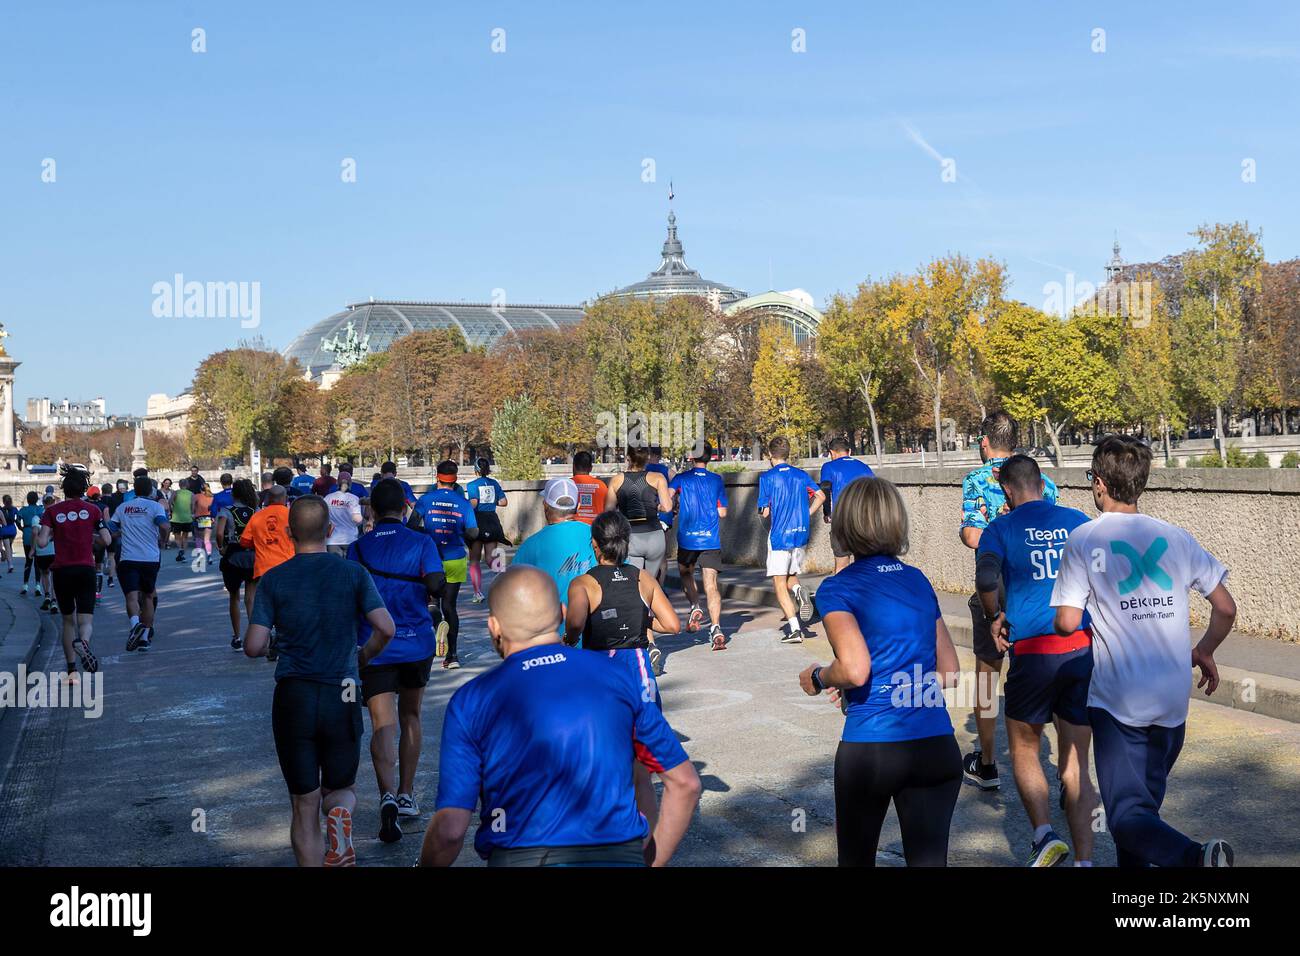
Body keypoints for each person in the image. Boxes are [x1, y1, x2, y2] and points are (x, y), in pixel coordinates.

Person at [419, 564, 700, 867]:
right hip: (619, 853)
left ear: (494, 627)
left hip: (520, 856)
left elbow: (450, 831)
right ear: (562, 613)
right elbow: (685, 784)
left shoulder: (471, 701)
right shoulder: (618, 678)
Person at [1051, 436, 1237, 868]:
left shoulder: (1084, 539)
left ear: (1099, 482)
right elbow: (1226, 608)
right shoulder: (1176, 537)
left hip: (1119, 702)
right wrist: (1204, 650)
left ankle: (1197, 859)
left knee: (1126, 817)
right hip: (1173, 701)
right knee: (1143, 812)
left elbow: (1064, 621)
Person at [797, 477, 962, 866]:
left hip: (872, 749)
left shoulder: (836, 588)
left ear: (846, 525)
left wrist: (820, 677)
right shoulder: (919, 580)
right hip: (935, 744)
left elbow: (854, 669)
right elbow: (950, 672)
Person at [244, 496, 396, 867]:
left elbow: (253, 646)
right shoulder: (352, 573)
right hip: (341, 691)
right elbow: (386, 628)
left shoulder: (274, 579)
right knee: (340, 789)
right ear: (329, 531)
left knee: (303, 801)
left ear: (288, 532)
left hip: (294, 694)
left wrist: (277, 640)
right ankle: (339, 818)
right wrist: (362, 656)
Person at [977, 454, 1096, 867]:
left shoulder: (1000, 527)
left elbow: (986, 578)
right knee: (1077, 762)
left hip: (1032, 654)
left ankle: (1044, 835)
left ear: (1007, 492)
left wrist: (994, 617)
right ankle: (1085, 860)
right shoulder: (1078, 520)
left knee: (1024, 748)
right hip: (1081, 649)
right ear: (1042, 484)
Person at [565, 512, 682, 833]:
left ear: (594, 544)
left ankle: (607, 829)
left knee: (601, 755)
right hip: (639, 671)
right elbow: (672, 625)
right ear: (626, 544)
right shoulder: (643, 578)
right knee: (640, 766)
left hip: (601, 671)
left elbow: (574, 627)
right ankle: (648, 841)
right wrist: (639, 621)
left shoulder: (583, 583)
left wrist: (566, 637)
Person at [959, 411, 1057, 791]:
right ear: (1016, 442)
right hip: (1040, 586)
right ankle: (1066, 770)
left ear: (985, 442)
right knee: (1046, 674)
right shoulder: (1043, 481)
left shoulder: (977, 479)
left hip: (996, 583)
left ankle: (986, 764)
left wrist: (996, 532)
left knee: (987, 673)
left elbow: (971, 536)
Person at [348, 478, 445, 841]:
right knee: (411, 716)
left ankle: (386, 794)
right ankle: (406, 795)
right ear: (405, 506)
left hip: (373, 645)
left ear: (371, 508)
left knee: (382, 723)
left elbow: (353, 596)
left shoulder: (358, 548)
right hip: (415, 642)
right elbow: (436, 584)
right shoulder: (422, 542)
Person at [37, 466, 112, 683]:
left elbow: (42, 542)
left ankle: (71, 672)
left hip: (62, 570)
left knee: (67, 621)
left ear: (64, 488)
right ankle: (84, 644)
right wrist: (93, 538)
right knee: (85, 619)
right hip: (85, 568)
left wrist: (52, 536)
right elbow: (106, 540)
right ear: (84, 488)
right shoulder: (93, 510)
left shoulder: (51, 512)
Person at [606, 447, 674, 672]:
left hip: (631, 537)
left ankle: (649, 643)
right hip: (655, 537)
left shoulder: (617, 480)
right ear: (646, 459)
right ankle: (649, 638)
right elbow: (667, 507)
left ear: (627, 459)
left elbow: (608, 511)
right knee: (650, 587)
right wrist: (653, 505)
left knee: (635, 593)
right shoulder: (658, 478)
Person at [409, 461, 478, 669]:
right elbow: (473, 532)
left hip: (431, 559)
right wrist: (459, 532)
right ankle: (453, 656)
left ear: (437, 477)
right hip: (455, 557)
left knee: (432, 603)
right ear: (455, 479)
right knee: (450, 605)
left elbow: (412, 525)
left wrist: (428, 534)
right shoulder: (463, 503)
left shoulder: (426, 499)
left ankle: (439, 626)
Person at [758, 436, 825, 645]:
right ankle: (798, 591)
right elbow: (821, 496)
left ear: (770, 455)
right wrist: (807, 513)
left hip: (780, 536)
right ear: (788, 454)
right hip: (801, 533)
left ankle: (795, 629)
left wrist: (762, 510)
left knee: (778, 582)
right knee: (790, 575)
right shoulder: (801, 475)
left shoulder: (767, 478)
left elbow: (765, 512)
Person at [668, 442, 729, 650]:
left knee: (685, 573)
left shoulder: (681, 479)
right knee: (711, 584)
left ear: (692, 458)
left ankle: (695, 605)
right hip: (710, 539)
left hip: (687, 539)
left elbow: (666, 499)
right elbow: (722, 513)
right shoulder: (716, 481)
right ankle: (716, 628)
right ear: (710, 458)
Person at [512, 477, 597, 614]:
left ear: (545, 505)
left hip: (550, 630)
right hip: (593, 630)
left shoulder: (531, 545)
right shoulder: (597, 534)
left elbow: (513, 590)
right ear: (579, 506)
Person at [110, 474, 170, 652]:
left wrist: (123, 532)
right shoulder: (155, 506)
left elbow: (111, 530)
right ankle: (144, 638)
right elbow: (165, 526)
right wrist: (163, 541)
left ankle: (135, 624)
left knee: (131, 597)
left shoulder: (123, 507)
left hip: (128, 558)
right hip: (149, 558)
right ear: (151, 490)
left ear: (134, 490)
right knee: (148, 596)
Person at [240, 485, 297, 660]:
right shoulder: (291, 516)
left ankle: (266, 639)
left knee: (266, 608)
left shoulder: (257, 517)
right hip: (288, 568)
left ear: (267, 499)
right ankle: (283, 640)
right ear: (285, 498)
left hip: (263, 569)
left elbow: (245, 541)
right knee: (288, 607)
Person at [215, 478, 259, 650]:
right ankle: (254, 634)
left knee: (234, 597)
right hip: (252, 555)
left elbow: (219, 533)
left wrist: (221, 547)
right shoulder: (255, 510)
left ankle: (237, 636)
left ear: (234, 493)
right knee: (251, 597)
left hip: (233, 554)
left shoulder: (226, 511)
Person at [819, 437, 875, 574]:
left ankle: (841, 595)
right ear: (849, 451)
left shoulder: (829, 467)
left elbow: (825, 488)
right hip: (863, 522)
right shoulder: (864, 467)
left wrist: (827, 513)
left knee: (842, 566)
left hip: (841, 520)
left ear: (832, 453)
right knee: (863, 565)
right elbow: (876, 492)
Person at [465, 458, 508, 603]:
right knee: (491, 558)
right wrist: (490, 501)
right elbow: (503, 502)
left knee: (474, 560)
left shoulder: (471, 485)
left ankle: (477, 593)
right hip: (492, 521)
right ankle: (505, 584)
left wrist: (464, 510)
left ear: (475, 470)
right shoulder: (494, 483)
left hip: (477, 521)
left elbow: (474, 503)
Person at [324, 471, 363, 557]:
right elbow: (358, 520)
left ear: (337, 483)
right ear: (350, 483)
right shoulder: (354, 499)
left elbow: (323, 518)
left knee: (335, 568)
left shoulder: (327, 498)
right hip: (350, 539)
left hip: (332, 540)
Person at [17, 491, 43, 596]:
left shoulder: (23, 510)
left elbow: (17, 521)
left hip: (27, 534)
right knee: (38, 563)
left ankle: (25, 585)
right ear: (37, 499)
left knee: (28, 561)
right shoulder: (40, 509)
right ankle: (37, 586)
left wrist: (21, 528)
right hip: (37, 535)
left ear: (27, 500)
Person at [570, 450, 607, 524]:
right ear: (591, 468)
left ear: (573, 466)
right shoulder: (602, 486)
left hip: (572, 528)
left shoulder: (567, 485)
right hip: (596, 529)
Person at [34, 495, 57, 613]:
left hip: (41, 551)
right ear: (53, 502)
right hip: (53, 550)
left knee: (44, 574)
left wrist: (33, 549)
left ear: (43, 503)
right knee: (54, 576)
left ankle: (47, 595)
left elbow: (34, 534)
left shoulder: (37, 517)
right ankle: (54, 601)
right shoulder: (56, 516)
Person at [170, 477, 194, 562]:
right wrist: (192, 513)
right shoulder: (191, 494)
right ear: (187, 485)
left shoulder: (175, 492)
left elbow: (170, 502)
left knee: (177, 535)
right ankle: (183, 554)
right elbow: (193, 506)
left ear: (179, 485)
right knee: (185, 537)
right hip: (187, 518)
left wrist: (173, 509)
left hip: (176, 517)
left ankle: (180, 548)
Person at [193, 482, 215, 566]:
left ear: (200, 489)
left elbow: (192, 507)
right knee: (207, 539)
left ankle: (200, 556)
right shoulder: (212, 497)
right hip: (208, 518)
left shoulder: (196, 496)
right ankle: (209, 555)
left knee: (198, 538)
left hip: (199, 518)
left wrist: (193, 513)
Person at [0, 494, 19, 573]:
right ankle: (10, 559)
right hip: (13, 530)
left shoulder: (2, 510)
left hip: (5, 530)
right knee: (10, 546)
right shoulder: (14, 509)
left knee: (7, 547)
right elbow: (18, 519)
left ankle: (10, 565)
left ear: (3, 502)